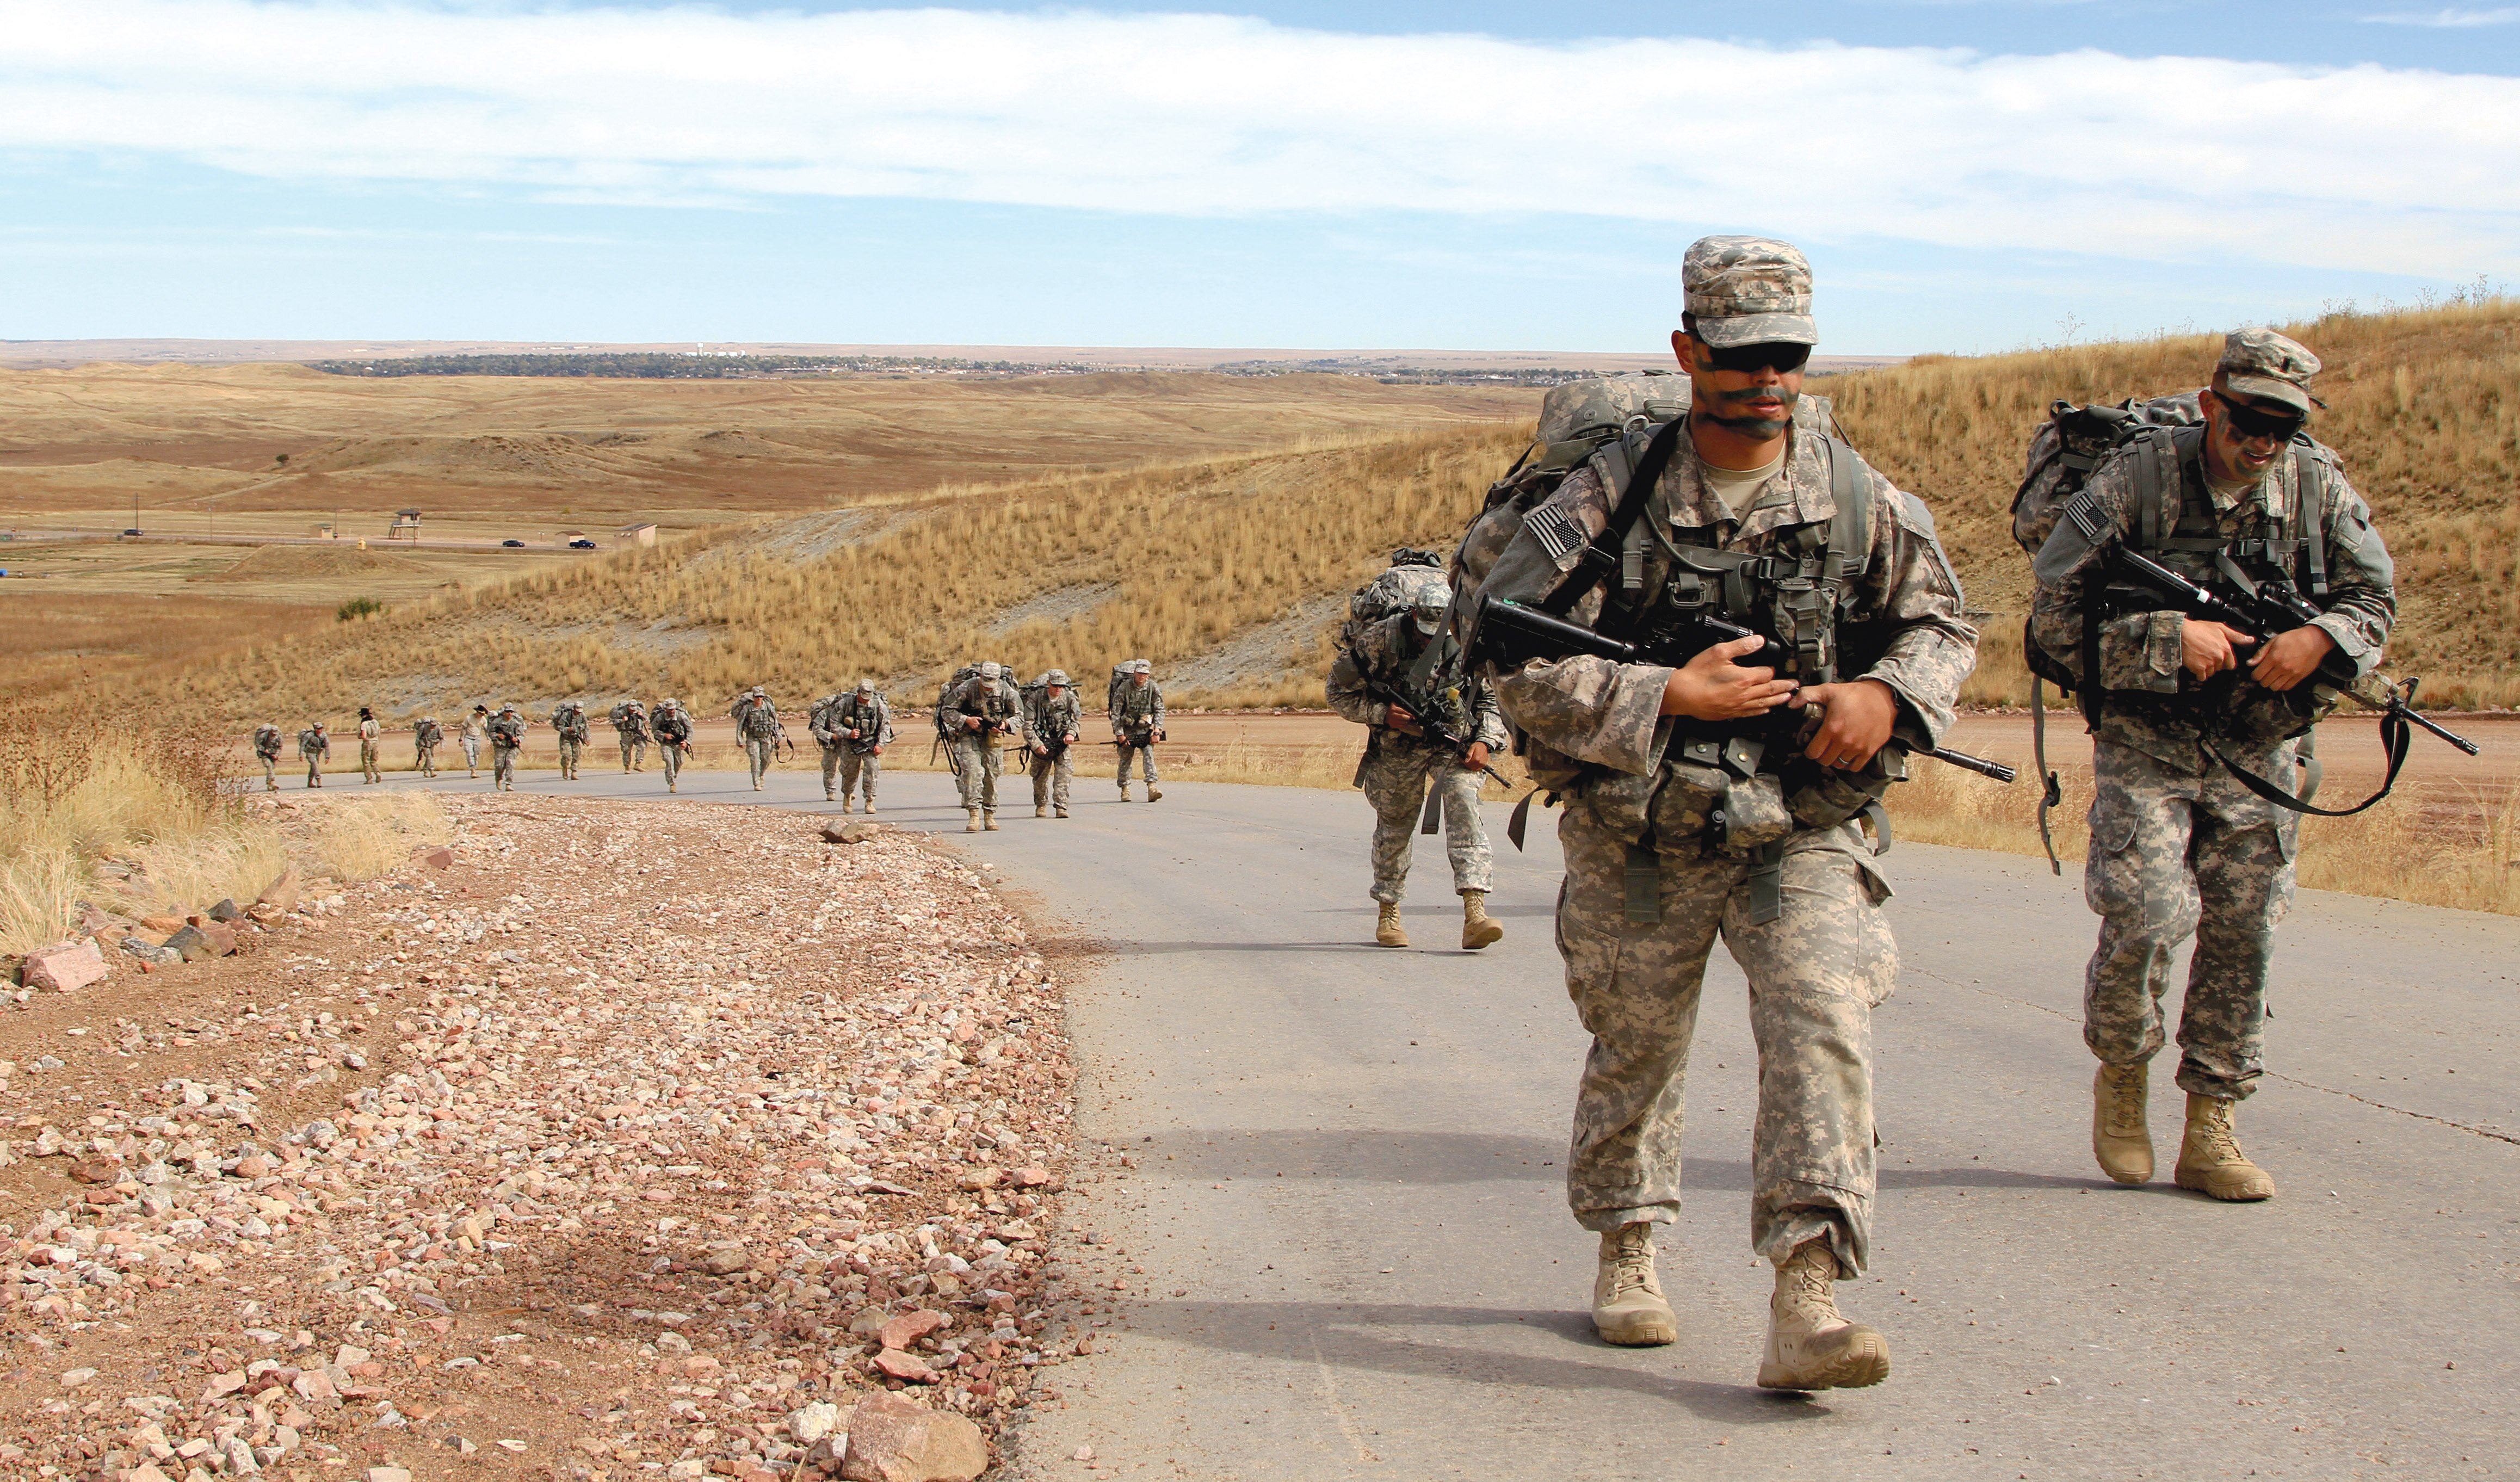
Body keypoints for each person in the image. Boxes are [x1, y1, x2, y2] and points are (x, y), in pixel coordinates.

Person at [1467, 236, 1976, 1390]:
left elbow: (1943, 625)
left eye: (1787, 354)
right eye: (1741, 355)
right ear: (1690, 350)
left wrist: (1885, 696)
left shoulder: (1854, 495)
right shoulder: (1608, 497)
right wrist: (1663, 694)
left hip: (1798, 823)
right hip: (1643, 829)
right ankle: (1629, 1248)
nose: (1766, 378)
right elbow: (1513, 655)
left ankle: (1810, 1294)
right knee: (1637, 1047)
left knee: (1821, 1020)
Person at [2028, 329, 2395, 1204]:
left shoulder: (2317, 486)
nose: (2263, 441)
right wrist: (2167, 640)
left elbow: (2373, 598)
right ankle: (2124, 1071)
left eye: (2283, 424)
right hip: (2148, 744)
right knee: (2149, 915)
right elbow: (2052, 622)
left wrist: (2318, 640)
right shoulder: (2140, 478)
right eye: (2249, 419)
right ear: (2210, 406)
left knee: (2246, 934)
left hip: (2261, 750)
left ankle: (2213, 1123)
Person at [1328, 585, 1507, 949]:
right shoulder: (1380, 639)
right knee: (1396, 823)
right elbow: (1338, 693)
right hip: (1397, 747)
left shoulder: (1472, 639)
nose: (1429, 640)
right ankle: (1388, 912)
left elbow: (1493, 697)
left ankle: (1475, 912)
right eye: (1424, 629)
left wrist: (1484, 742)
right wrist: (1382, 714)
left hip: (1451, 744)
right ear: (1413, 616)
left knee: (1465, 806)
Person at [942, 660, 1021, 831]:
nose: (987, 688)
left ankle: (989, 814)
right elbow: (947, 710)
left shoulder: (1007, 691)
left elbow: (1021, 716)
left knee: (992, 775)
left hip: (993, 738)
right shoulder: (967, 688)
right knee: (973, 772)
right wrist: (967, 720)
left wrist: (1005, 724)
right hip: (969, 736)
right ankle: (974, 815)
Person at [1023, 670, 1083, 819]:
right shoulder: (1035, 699)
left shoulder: (1070, 699)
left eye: (1061, 686)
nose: (1058, 689)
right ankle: (1041, 805)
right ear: (1049, 683)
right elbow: (1027, 725)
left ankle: (1061, 807)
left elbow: (1076, 721)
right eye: (1055, 685)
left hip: (1061, 743)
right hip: (1041, 744)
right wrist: (1036, 744)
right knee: (1040, 778)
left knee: (1064, 775)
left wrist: (1071, 733)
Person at [833, 680, 892, 814]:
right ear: (858, 693)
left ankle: (869, 801)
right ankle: (847, 795)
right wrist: (848, 733)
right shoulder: (846, 703)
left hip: (870, 742)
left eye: (868, 698)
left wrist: (881, 744)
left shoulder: (878, 704)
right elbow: (834, 723)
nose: (865, 701)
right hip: (850, 743)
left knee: (872, 770)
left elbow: (885, 726)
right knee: (850, 772)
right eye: (863, 697)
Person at [1111, 658, 1166, 801]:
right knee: (1126, 759)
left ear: (1148, 675)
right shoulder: (1124, 688)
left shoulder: (1153, 688)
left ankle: (1152, 787)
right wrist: (1120, 734)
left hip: (1145, 729)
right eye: (1139, 673)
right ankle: (1125, 789)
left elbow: (1160, 710)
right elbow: (1116, 713)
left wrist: (1157, 731)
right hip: (1127, 729)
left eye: (1145, 674)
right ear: (1134, 673)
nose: (1142, 676)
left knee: (1149, 755)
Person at [732, 687, 780, 791]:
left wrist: (778, 736)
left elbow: (775, 721)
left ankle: (761, 774)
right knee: (755, 760)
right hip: (752, 737)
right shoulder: (747, 709)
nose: (759, 699)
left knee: (766, 759)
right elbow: (740, 724)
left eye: (761, 697)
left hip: (766, 737)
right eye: (757, 697)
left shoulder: (768, 707)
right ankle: (757, 783)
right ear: (753, 697)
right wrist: (739, 739)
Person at [808, 691, 848, 801]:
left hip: (844, 744)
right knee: (829, 768)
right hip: (830, 744)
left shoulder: (847, 712)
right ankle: (830, 791)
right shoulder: (826, 712)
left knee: (848, 768)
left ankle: (848, 791)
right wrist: (831, 736)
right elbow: (817, 729)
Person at [652, 697, 693, 793]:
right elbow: (654, 730)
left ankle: (672, 775)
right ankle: (672, 783)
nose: (671, 712)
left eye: (673, 709)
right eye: (669, 710)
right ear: (666, 709)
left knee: (679, 763)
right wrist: (664, 735)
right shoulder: (660, 718)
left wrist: (687, 742)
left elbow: (690, 729)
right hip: (666, 744)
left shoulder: (681, 716)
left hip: (678, 744)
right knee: (669, 761)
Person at [488, 703, 527, 792]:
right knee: (499, 766)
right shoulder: (497, 722)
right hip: (500, 746)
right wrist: (498, 735)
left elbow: (522, 735)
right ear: (504, 713)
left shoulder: (516, 722)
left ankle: (508, 784)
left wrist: (517, 739)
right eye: (507, 712)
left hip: (512, 747)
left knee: (510, 764)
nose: (509, 714)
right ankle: (498, 778)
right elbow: (490, 733)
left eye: (511, 712)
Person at [549, 701, 590, 780]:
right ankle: (565, 767)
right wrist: (568, 729)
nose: (578, 713)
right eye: (577, 710)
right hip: (566, 738)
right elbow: (560, 727)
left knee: (577, 755)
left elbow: (586, 728)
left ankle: (574, 772)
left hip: (576, 737)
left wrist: (587, 739)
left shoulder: (582, 716)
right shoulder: (566, 715)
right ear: (574, 709)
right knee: (566, 755)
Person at [611, 699, 651, 773]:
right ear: (628, 707)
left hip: (637, 732)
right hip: (626, 732)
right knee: (626, 750)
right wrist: (622, 720)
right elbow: (614, 721)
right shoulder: (621, 712)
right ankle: (627, 767)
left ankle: (638, 764)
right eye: (631, 709)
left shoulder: (639, 710)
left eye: (634, 710)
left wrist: (642, 716)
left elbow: (647, 719)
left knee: (642, 745)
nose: (633, 711)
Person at [297, 721, 330, 789]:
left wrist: (327, 757)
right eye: (318, 729)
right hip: (310, 752)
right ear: (315, 729)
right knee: (315, 765)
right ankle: (319, 780)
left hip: (318, 753)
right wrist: (301, 754)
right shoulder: (309, 735)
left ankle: (310, 782)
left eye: (321, 728)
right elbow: (303, 745)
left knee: (314, 767)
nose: (319, 730)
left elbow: (327, 746)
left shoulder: (324, 735)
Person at [252, 723, 284, 792]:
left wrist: (277, 755)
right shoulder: (263, 736)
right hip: (264, 754)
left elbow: (280, 747)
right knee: (269, 767)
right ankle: (272, 783)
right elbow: (258, 744)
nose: (274, 735)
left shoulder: (279, 737)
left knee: (272, 768)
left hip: (273, 754)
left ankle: (269, 785)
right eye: (273, 733)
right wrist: (264, 750)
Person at [460, 705, 489, 777]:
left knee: (476, 754)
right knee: (470, 754)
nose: (482, 716)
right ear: (478, 712)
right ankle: (473, 771)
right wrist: (461, 739)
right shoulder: (469, 718)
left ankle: (475, 770)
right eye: (481, 714)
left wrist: (488, 739)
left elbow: (486, 729)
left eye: (483, 715)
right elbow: (464, 729)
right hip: (468, 738)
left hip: (477, 738)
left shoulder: (483, 720)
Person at [356, 707, 382, 785]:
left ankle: (369, 779)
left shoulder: (364, 724)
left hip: (368, 742)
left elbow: (364, 736)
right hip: (376, 741)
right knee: (374, 760)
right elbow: (379, 733)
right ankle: (378, 773)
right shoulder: (375, 722)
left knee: (366, 761)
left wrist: (359, 736)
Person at [413, 715, 443, 779]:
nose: (433, 727)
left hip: (432, 744)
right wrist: (419, 746)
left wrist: (442, 747)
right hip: (424, 744)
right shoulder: (424, 727)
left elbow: (442, 738)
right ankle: (432, 771)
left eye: (434, 725)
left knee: (430, 757)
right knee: (429, 757)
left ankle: (426, 770)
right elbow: (418, 737)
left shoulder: (438, 728)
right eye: (432, 725)